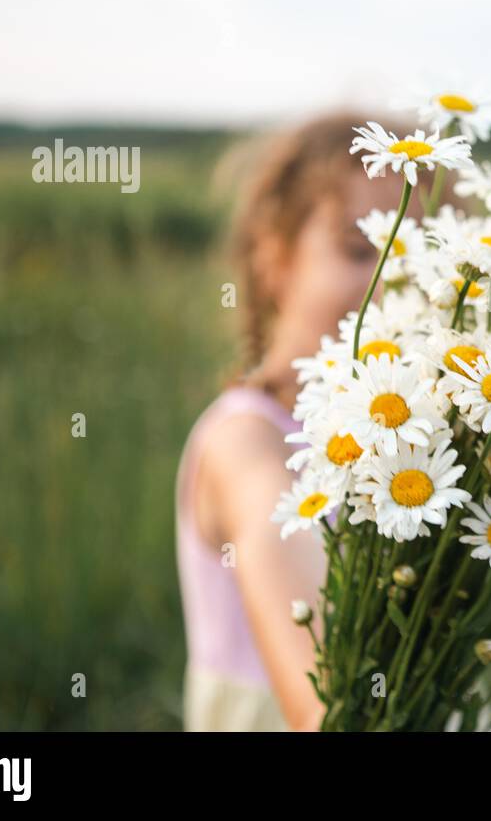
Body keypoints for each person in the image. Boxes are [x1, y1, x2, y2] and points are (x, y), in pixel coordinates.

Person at [174, 112, 421, 730]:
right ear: (274, 253)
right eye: (361, 249)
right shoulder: (247, 444)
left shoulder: (415, 446)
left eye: (423, 258)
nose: (395, 281)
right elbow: (327, 712)